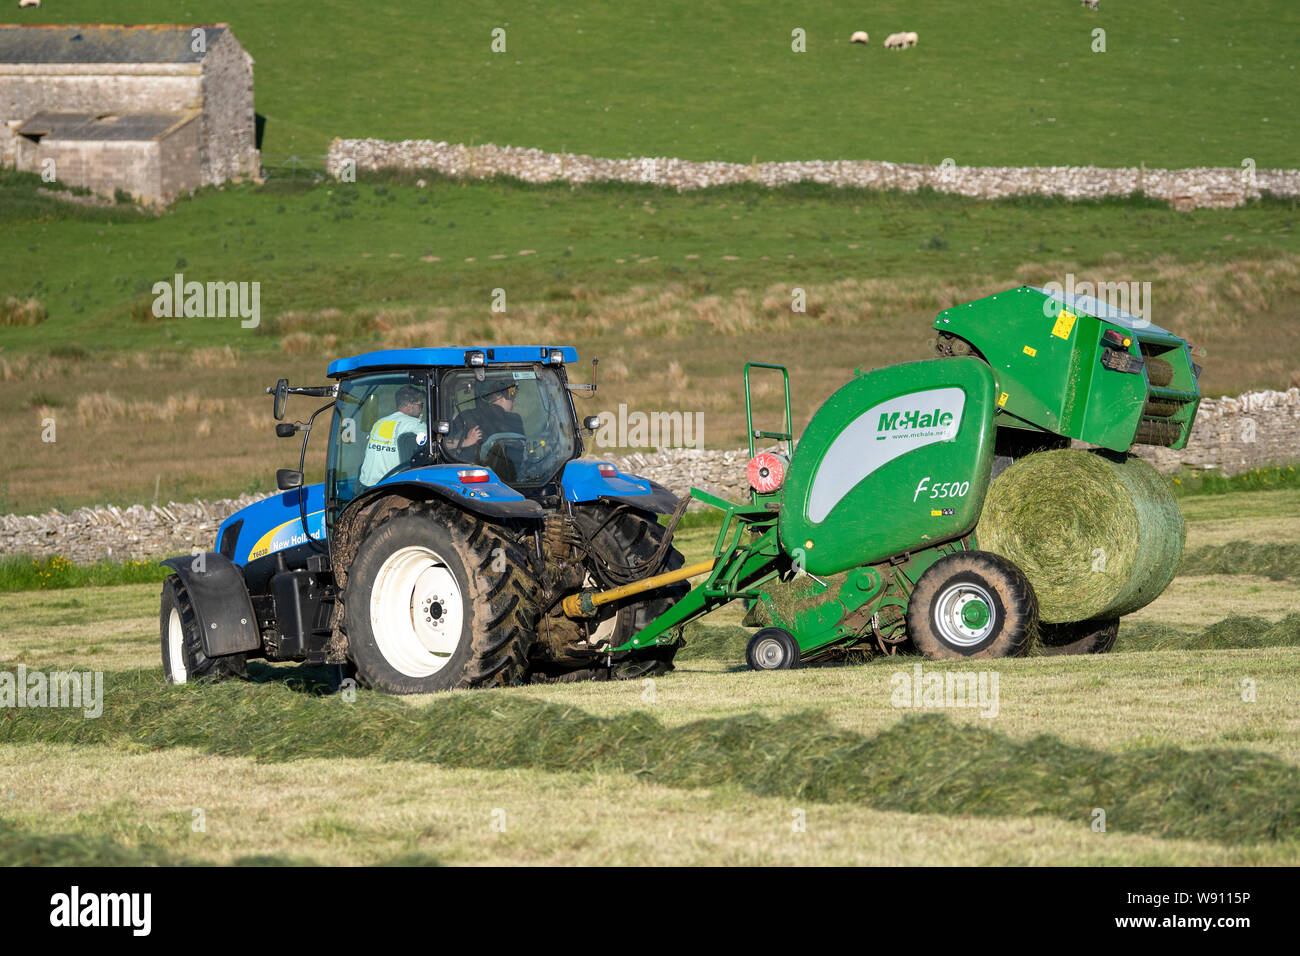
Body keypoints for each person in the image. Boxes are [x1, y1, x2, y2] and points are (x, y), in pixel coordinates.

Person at [446, 378, 526, 480]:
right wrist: (466, 442)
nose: (513, 403)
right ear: (499, 396)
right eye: (512, 398)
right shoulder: (516, 420)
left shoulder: (467, 416)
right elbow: (445, 444)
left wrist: (465, 443)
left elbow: (444, 444)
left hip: (477, 480)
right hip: (514, 480)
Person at [358, 384, 428, 486]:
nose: (421, 409)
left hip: (365, 485)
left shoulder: (379, 423)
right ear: (409, 405)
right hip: (391, 488)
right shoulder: (416, 424)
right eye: (420, 405)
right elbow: (432, 445)